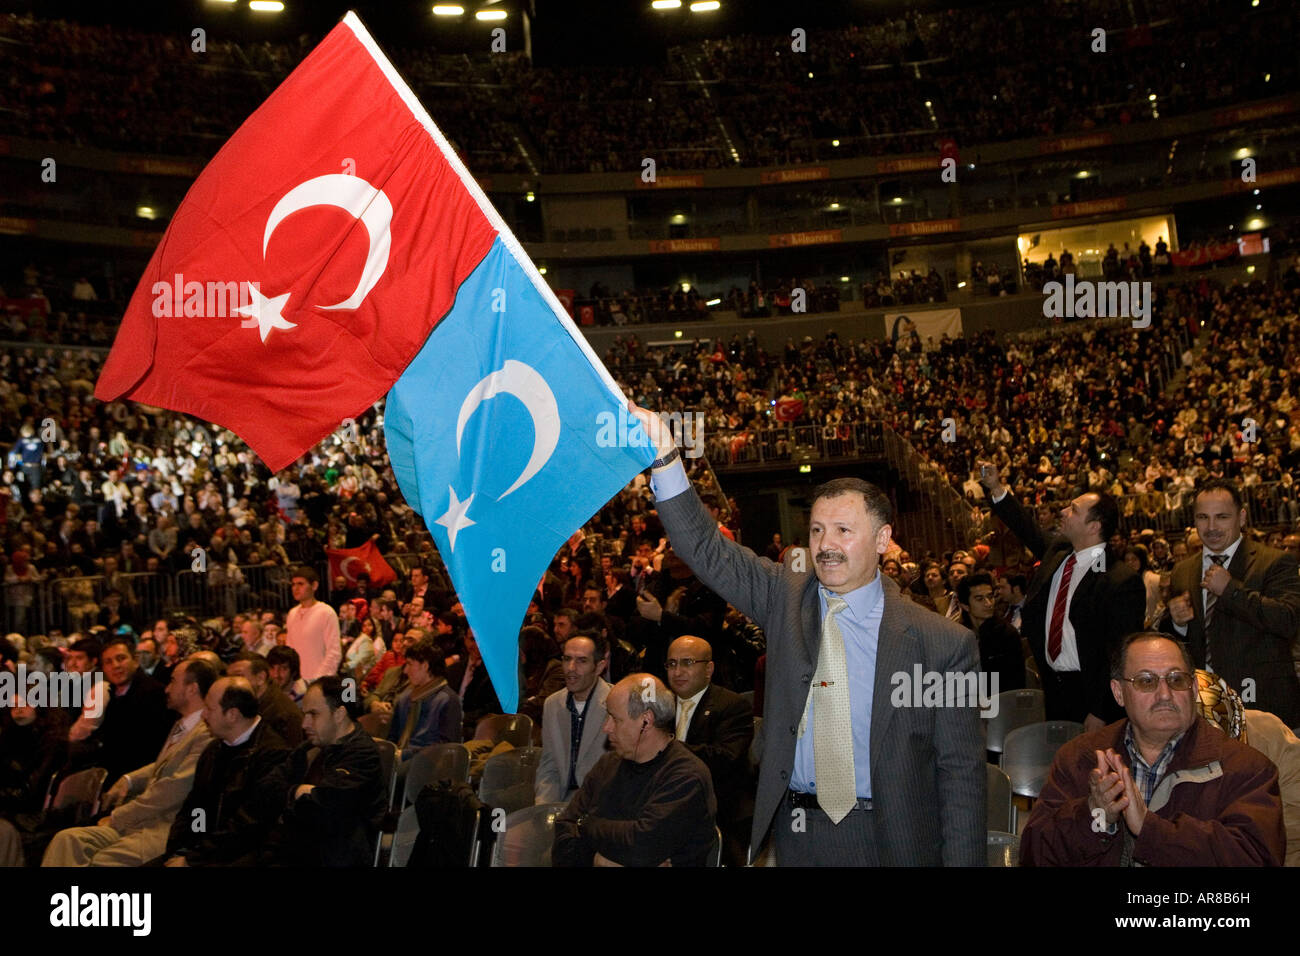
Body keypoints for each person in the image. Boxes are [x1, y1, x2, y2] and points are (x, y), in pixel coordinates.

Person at [632, 401, 983, 866]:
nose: (826, 544)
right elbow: (706, 548)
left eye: (843, 529)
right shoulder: (786, 598)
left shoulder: (945, 644)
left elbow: (961, 778)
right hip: (797, 837)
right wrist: (665, 458)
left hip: (892, 841)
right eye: (817, 529)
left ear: (882, 540)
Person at [1020, 632, 1284, 866]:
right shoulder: (1081, 758)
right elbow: (1036, 855)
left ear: (1193, 688)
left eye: (1176, 679)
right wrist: (1095, 815)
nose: (1165, 694)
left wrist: (1150, 829)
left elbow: (1257, 858)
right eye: (1146, 681)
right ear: (1118, 692)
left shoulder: (1247, 769)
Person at [980, 460, 1145, 729]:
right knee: (1061, 767)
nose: (1064, 511)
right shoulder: (1057, 552)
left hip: (1092, 698)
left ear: (1094, 526)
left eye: (1074, 509)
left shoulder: (1120, 580)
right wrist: (996, 487)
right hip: (1054, 691)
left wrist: (1102, 710)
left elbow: (1122, 654)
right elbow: (1025, 527)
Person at [41, 660, 218, 867]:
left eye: (172, 682)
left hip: (167, 828)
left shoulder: (205, 733)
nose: (166, 689)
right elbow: (163, 764)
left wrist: (119, 816)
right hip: (143, 821)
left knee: (101, 861)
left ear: (192, 689)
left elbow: (173, 789)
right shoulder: (182, 723)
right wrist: (129, 779)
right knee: (67, 840)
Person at [1161, 480, 1300, 728]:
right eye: (1203, 517)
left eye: (1222, 517)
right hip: (1203, 708)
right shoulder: (1183, 570)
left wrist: (1231, 590)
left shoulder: (1276, 562)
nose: (1211, 527)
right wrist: (1176, 623)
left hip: (1263, 707)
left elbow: (1287, 621)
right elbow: (1178, 645)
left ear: (1242, 517)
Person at [553, 674, 716, 867]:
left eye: (615, 718)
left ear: (646, 721)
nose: (606, 727)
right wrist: (598, 861)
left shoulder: (686, 777)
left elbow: (642, 846)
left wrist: (585, 824)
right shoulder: (608, 764)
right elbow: (563, 837)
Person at [162, 677, 291, 866]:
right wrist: (181, 849)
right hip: (202, 852)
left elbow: (248, 826)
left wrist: (193, 859)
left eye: (209, 709)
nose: (203, 715)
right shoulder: (214, 749)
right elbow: (196, 808)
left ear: (232, 714)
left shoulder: (273, 756)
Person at [261, 676, 387, 866]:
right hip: (291, 850)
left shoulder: (362, 754)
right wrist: (299, 791)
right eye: (305, 714)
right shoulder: (309, 748)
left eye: (313, 714)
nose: (305, 724)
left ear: (339, 714)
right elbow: (266, 788)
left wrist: (295, 795)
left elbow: (324, 808)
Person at [664, 634, 754, 867]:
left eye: (687, 663)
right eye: (672, 663)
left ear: (709, 668)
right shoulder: (660, 705)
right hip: (664, 809)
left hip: (720, 809)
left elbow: (725, 759)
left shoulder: (732, 706)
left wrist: (667, 746)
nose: (677, 671)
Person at [536, 633, 611, 804]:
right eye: (567, 659)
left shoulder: (614, 704)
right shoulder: (552, 704)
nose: (571, 667)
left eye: (581, 661)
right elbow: (549, 766)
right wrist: (543, 809)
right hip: (559, 803)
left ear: (599, 667)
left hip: (598, 805)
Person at [387, 639, 462, 759]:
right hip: (399, 758)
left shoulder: (447, 699)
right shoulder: (405, 698)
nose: (405, 671)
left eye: (410, 664)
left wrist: (405, 755)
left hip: (428, 764)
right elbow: (392, 736)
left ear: (425, 666)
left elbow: (446, 747)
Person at [955, 573, 1025, 692]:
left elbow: (1014, 683)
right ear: (965, 605)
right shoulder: (958, 634)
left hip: (999, 701)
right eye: (980, 599)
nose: (988, 603)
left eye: (990, 596)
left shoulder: (1006, 634)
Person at [226, 653, 304, 747]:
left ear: (260, 678)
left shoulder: (282, 712)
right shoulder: (246, 704)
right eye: (228, 678)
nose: (229, 684)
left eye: (238, 676)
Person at [285, 567, 341, 682]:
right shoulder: (292, 613)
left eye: (300, 584)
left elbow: (334, 652)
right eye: (293, 584)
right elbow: (290, 651)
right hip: (297, 683)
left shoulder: (326, 612)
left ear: (314, 586)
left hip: (319, 682)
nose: (295, 588)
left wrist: (318, 681)